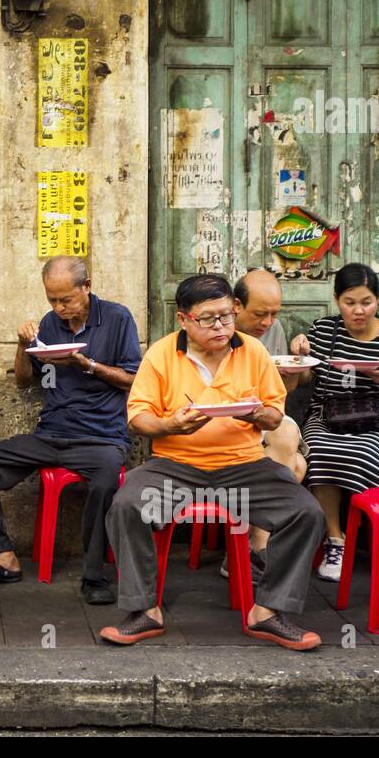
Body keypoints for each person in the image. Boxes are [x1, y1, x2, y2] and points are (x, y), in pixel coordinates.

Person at [101, 273, 325, 651]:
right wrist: (172, 424)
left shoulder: (252, 351)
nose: (220, 326)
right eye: (208, 318)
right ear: (184, 319)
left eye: (227, 315)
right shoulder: (161, 354)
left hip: (244, 466)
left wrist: (256, 415)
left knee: (306, 512)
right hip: (176, 466)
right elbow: (138, 418)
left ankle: (268, 611)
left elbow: (274, 414)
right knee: (126, 505)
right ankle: (144, 611)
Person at [0, 256, 141, 604]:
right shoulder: (49, 323)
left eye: (66, 300)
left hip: (101, 437)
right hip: (51, 434)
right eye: (52, 300)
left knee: (105, 483)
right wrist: (21, 344)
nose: (58, 308)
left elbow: (133, 379)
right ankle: (3, 556)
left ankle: (94, 576)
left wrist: (84, 363)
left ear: (86, 288)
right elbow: (25, 382)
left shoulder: (118, 319)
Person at [289, 263, 379, 583]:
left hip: (378, 420)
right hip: (327, 414)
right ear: (337, 300)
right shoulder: (323, 330)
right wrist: (300, 358)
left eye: (366, 302)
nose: (358, 310)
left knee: (364, 452)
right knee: (318, 451)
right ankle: (336, 540)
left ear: (378, 300)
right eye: (350, 302)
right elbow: (308, 376)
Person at [229, 267, 310, 577]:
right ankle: (254, 548)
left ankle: (251, 547)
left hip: (265, 416)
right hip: (228, 418)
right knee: (296, 464)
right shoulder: (217, 327)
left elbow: (281, 396)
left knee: (286, 436)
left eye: (275, 314)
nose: (268, 322)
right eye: (260, 314)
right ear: (237, 305)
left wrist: (292, 371)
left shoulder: (272, 330)